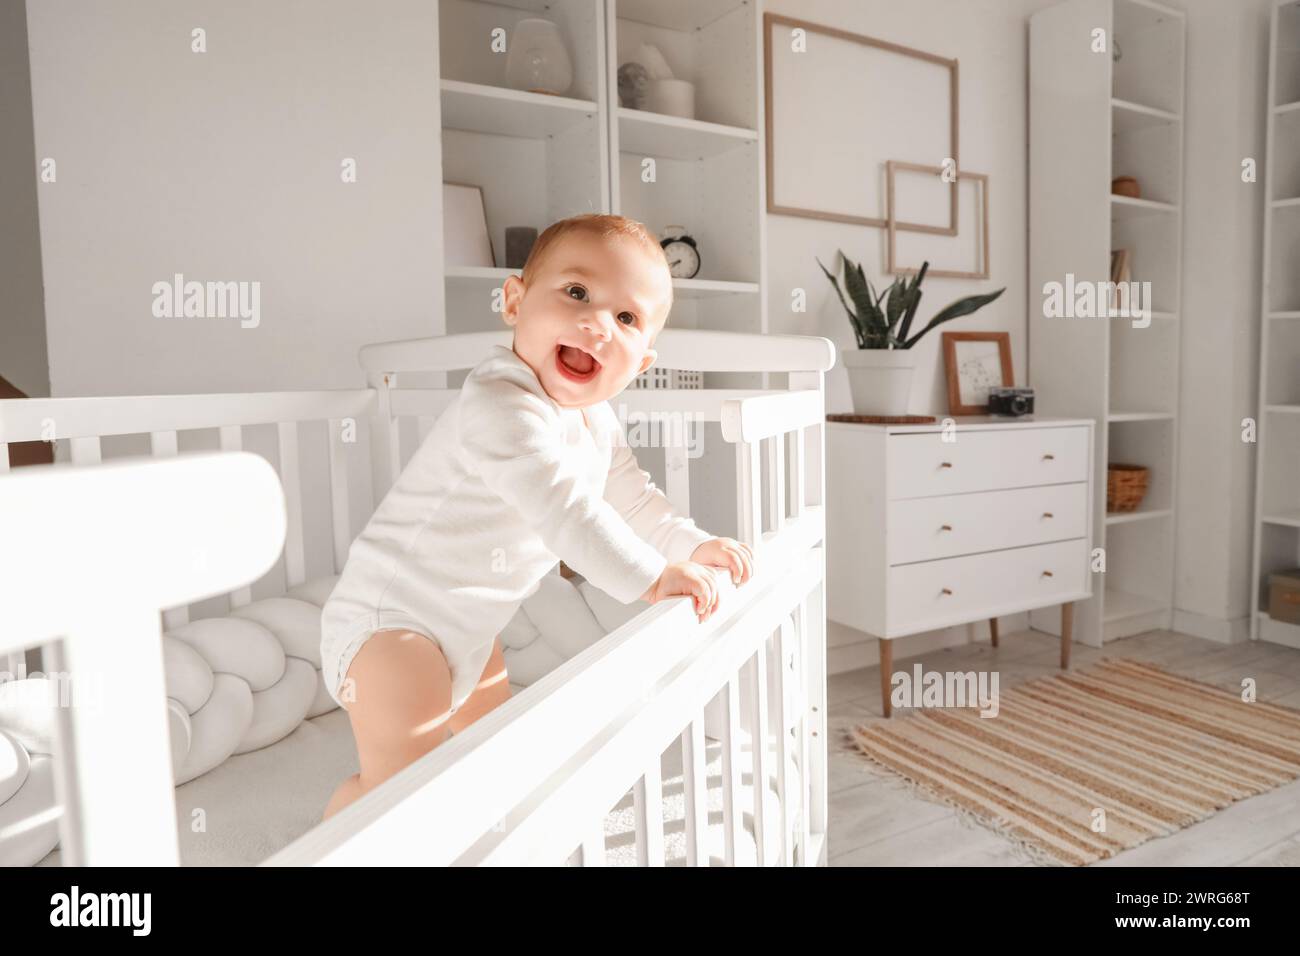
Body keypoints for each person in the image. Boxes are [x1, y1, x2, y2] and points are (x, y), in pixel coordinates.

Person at [319, 214, 755, 820]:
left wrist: (689, 544)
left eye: (626, 318)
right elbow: (566, 512)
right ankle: (342, 834)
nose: (597, 323)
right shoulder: (500, 402)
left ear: (643, 362)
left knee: (493, 755)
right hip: (390, 633)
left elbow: (632, 499)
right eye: (577, 293)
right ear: (515, 300)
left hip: (471, 631)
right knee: (396, 801)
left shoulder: (593, 421)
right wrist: (655, 578)